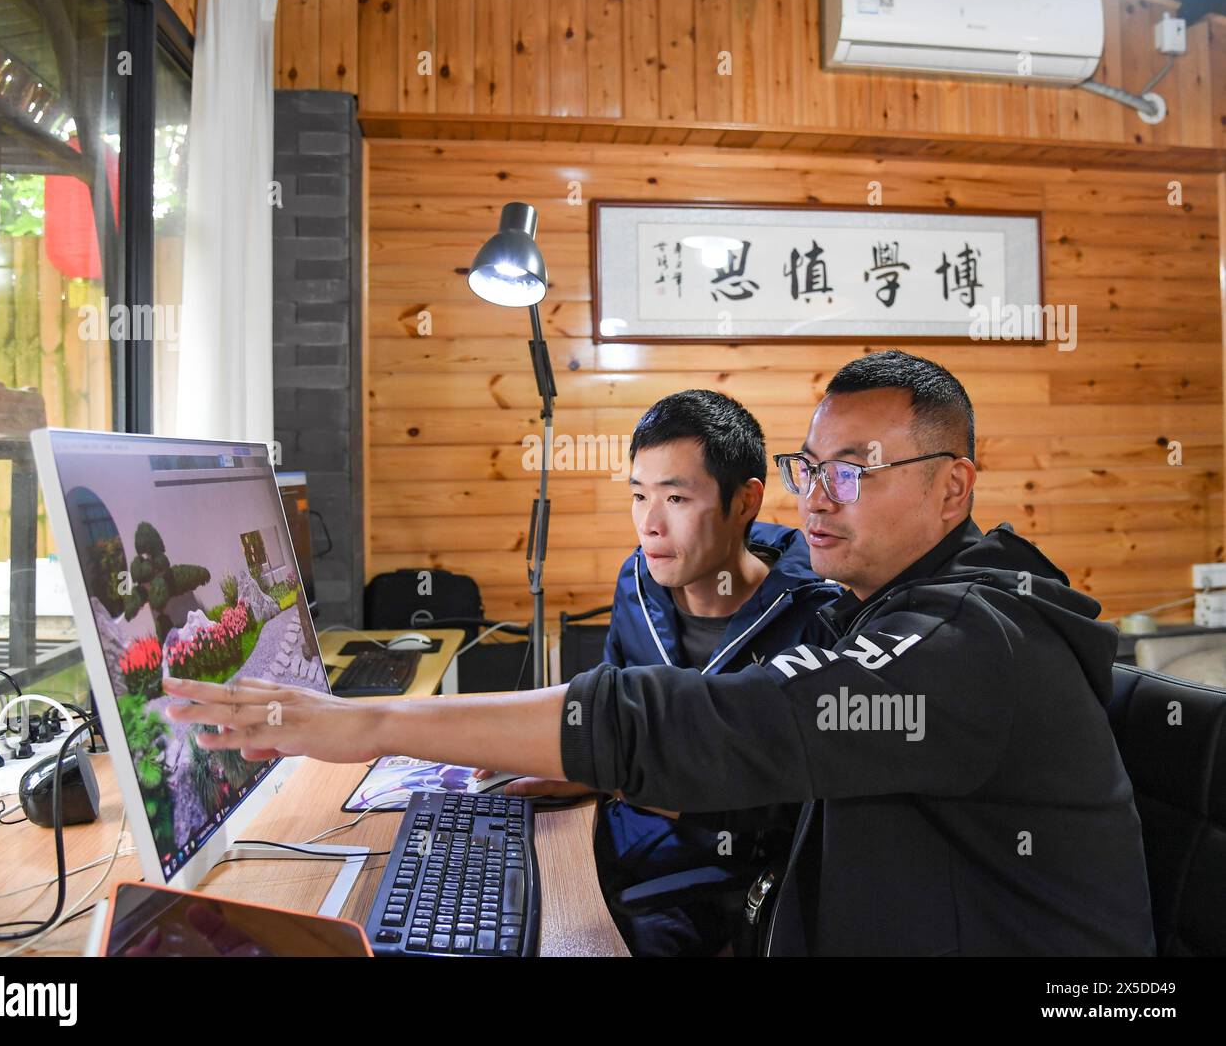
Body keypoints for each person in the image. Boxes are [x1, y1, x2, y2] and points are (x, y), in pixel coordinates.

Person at [164, 350, 1155, 956]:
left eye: (855, 470)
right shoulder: (885, 611)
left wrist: (359, 721)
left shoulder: (964, 644)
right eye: (812, 466)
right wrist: (567, 768)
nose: (818, 495)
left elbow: (723, 723)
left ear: (952, 489)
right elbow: (775, 780)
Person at [482, 389, 840, 956]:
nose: (649, 524)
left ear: (745, 501)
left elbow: (804, 806)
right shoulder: (637, 581)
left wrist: (627, 775)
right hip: (616, 854)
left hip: (722, 891)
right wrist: (583, 762)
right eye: (638, 495)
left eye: (675, 498)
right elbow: (617, 712)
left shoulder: (819, 613)